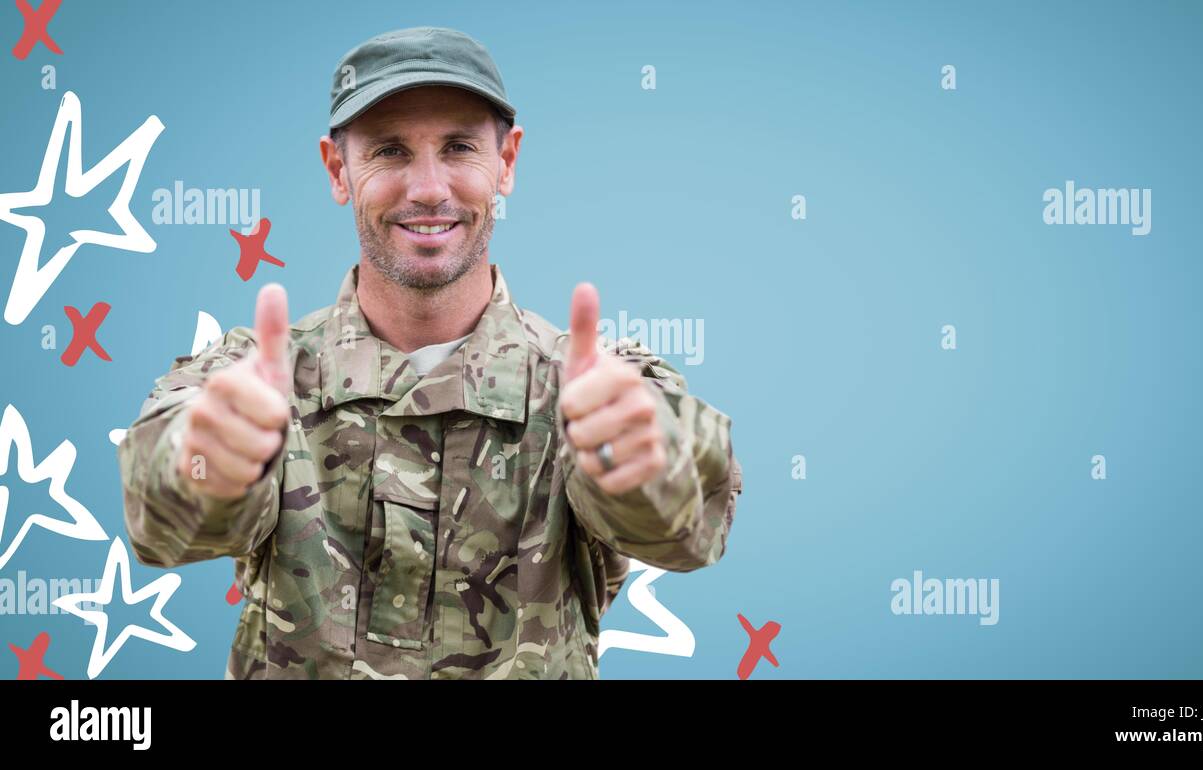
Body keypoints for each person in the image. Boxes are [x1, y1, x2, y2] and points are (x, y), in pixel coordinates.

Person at [116, 26, 742, 679]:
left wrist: (645, 463)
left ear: (507, 162)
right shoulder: (253, 381)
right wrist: (207, 466)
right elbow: (161, 518)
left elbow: (690, 524)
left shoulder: (590, 388)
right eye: (390, 151)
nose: (428, 188)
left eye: (459, 148)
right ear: (338, 170)